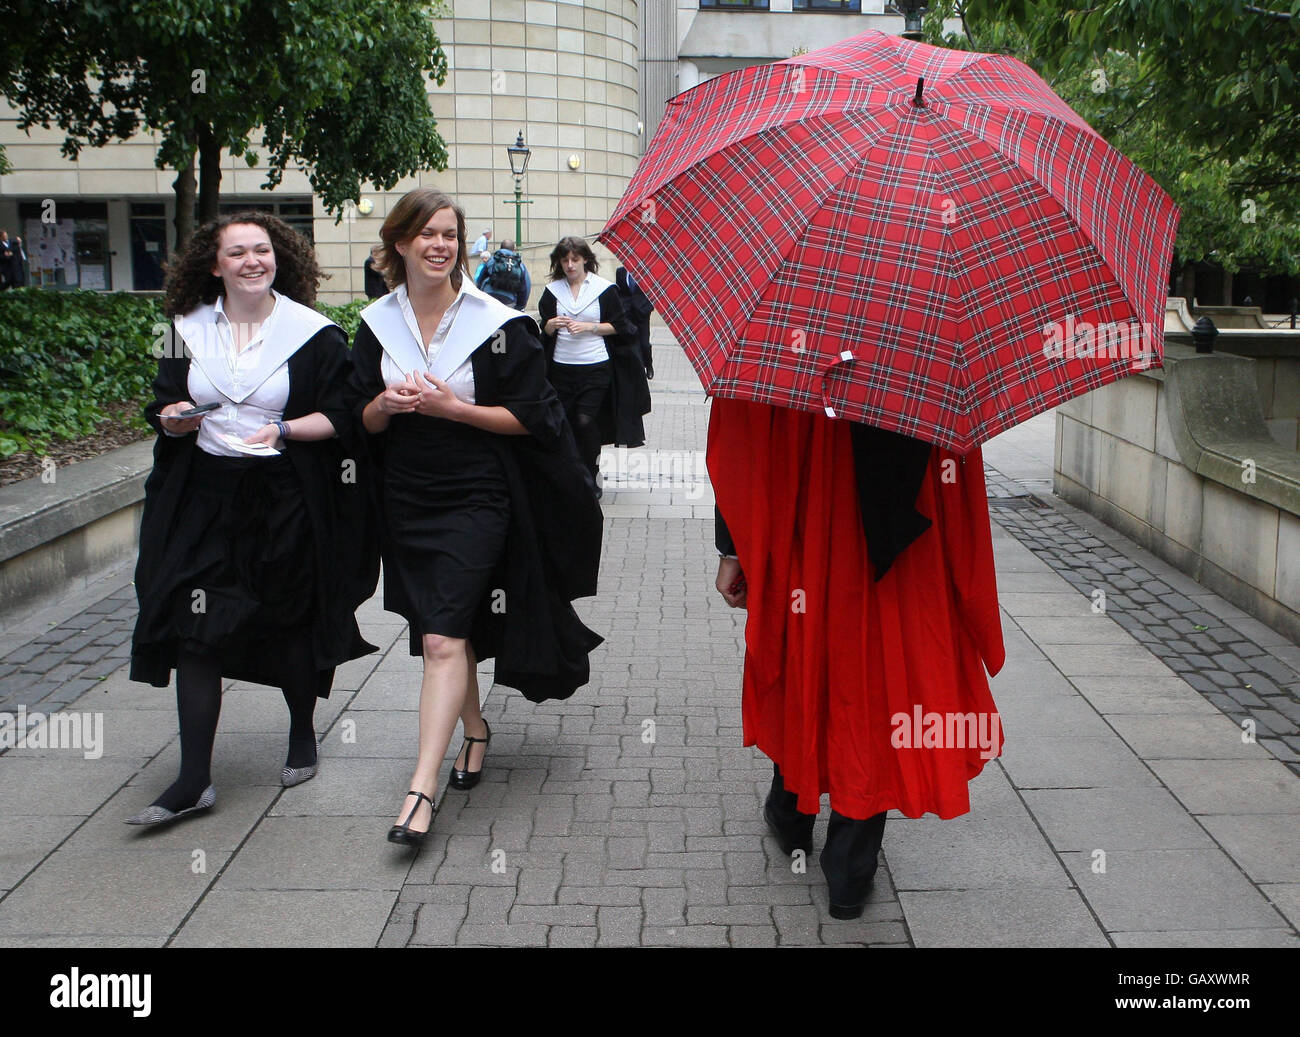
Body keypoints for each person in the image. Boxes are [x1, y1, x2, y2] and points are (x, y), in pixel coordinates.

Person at [345, 189, 602, 849]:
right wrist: (387, 402)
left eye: (449, 235)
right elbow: (358, 419)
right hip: (405, 492)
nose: (439, 245)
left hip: (476, 493)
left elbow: (536, 418)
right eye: (425, 234)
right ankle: (476, 728)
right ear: (399, 243)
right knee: (440, 627)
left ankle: (420, 788)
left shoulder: (496, 324)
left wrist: (452, 410)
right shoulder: (375, 325)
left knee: (440, 637)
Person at [127, 211, 379, 825]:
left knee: (287, 619)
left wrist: (286, 428)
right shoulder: (183, 330)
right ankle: (193, 779)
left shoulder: (313, 335)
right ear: (214, 265)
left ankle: (301, 732)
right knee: (195, 623)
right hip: (204, 497)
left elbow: (343, 416)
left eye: (261, 250)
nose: (251, 261)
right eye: (236, 252)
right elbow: (161, 400)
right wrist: (173, 417)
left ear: (279, 258)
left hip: (284, 496)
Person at [709, 400, 1005, 918]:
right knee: (877, 688)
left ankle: (790, 811)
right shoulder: (926, 348)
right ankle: (850, 867)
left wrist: (736, 550)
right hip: (904, 560)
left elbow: (742, 447)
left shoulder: (782, 330)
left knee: (806, 671)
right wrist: (964, 589)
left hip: (807, 540)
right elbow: (960, 480)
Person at [538, 237, 649, 495]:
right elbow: (544, 327)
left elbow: (622, 327)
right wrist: (551, 326)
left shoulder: (604, 290)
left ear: (585, 259)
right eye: (565, 260)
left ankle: (591, 472)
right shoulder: (553, 291)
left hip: (596, 367)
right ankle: (571, 472)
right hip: (560, 368)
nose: (570, 265)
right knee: (564, 423)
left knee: (586, 421)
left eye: (575, 259)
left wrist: (589, 327)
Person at [615, 265, 654, 379]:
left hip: (642, 312)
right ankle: (638, 369)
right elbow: (620, 292)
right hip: (627, 312)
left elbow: (653, 292)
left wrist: (647, 307)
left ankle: (649, 364)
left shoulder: (647, 272)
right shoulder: (620, 271)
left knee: (644, 344)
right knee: (632, 342)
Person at [475, 238, 530, 310]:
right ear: (513, 250)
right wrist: (520, 307)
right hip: (509, 301)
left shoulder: (492, 260)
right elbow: (525, 288)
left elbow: (480, 280)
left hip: (489, 298)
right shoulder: (520, 265)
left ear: (500, 248)